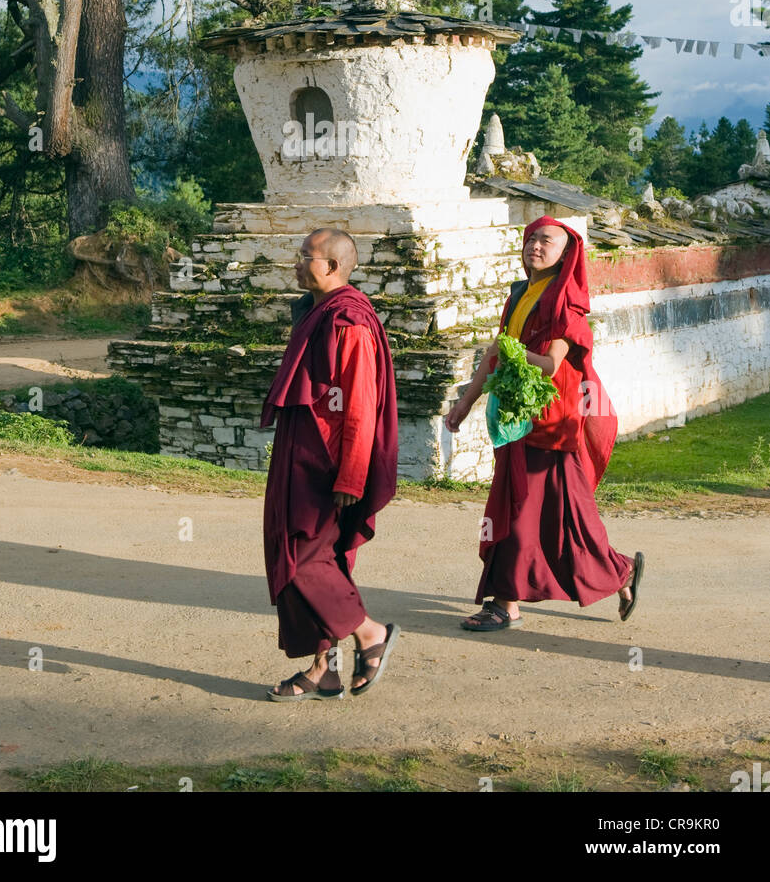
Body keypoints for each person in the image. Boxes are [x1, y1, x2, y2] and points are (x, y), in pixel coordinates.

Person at [446, 215, 644, 631]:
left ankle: (505, 602)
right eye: (531, 238)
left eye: (546, 241)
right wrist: (464, 403)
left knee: (532, 510)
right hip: (516, 420)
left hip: (552, 425)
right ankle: (617, 571)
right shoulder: (521, 294)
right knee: (550, 513)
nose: (535, 246)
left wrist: (514, 354)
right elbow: (494, 355)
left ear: (566, 253)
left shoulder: (565, 304)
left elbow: (551, 366)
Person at [262, 228, 400, 699]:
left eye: (306, 257)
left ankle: (370, 633)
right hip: (298, 454)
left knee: (303, 559)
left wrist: (351, 474)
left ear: (333, 266)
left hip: (327, 462)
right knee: (306, 556)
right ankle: (325, 669)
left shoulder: (349, 322)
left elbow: (360, 404)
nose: (297, 265)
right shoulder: (316, 311)